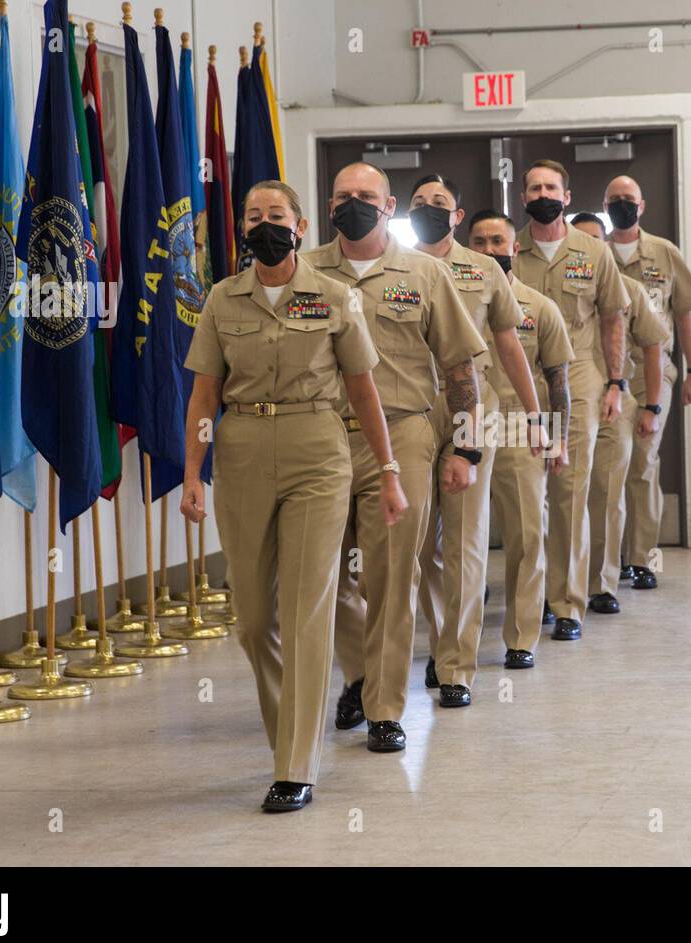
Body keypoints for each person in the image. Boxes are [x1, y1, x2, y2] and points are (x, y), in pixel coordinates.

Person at [181, 180, 406, 813]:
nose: (263, 224)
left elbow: (363, 391)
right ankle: (289, 733)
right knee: (255, 622)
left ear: (300, 227)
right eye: (252, 216)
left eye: (275, 215)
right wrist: (192, 472)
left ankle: (294, 765)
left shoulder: (334, 297)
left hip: (317, 449)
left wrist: (387, 470)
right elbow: (203, 395)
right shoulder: (222, 300)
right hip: (244, 447)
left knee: (310, 607)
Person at [302, 162, 486, 753]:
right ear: (329, 207)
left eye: (367, 196)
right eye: (342, 196)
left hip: (404, 430)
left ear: (389, 208)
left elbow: (459, 366)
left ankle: (384, 705)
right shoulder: (302, 270)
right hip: (323, 432)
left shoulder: (426, 273)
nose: (353, 203)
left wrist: (465, 446)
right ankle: (358, 671)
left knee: (391, 571)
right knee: (323, 571)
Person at [408, 175, 548, 706]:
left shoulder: (484, 269)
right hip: (412, 411)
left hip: (474, 409)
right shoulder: (395, 269)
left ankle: (457, 666)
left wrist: (534, 416)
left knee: (465, 538)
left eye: (439, 202)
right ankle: (440, 640)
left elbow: (511, 347)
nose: (429, 208)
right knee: (422, 544)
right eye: (419, 202)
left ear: (457, 215)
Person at [512, 159, 628, 641]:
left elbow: (613, 318)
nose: (543, 193)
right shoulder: (509, 250)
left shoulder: (593, 251)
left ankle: (568, 604)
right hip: (518, 381)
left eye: (551, 187)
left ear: (566, 194)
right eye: (534, 187)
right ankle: (531, 595)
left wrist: (616, 383)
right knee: (522, 498)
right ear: (523, 197)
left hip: (578, 379)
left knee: (569, 493)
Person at [467, 209, 574, 667]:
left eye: (498, 242)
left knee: (528, 535)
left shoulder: (540, 307)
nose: (490, 250)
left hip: (519, 426)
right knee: (460, 543)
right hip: (464, 424)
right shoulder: (449, 300)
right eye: (480, 242)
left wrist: (559, 437)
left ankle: (521, 638)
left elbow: (558, 380)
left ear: (515, 248)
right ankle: (455, 645)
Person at [603, 175, 691, 589]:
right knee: (610, 468)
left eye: (629, 199)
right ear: (604, 205)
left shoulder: (663, 253)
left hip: (653, 373)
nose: (622, 205)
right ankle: (608, 560)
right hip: (607, 374)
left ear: (641, 205)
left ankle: (643, 559)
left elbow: (683, 314)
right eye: (614, 199)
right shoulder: (594, 254)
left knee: (643, 464)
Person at [568, 213, 667, 615]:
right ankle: (556, 586)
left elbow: (654, 347)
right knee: (562, 496)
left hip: (616, 399)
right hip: (568, 400)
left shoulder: (629, 291)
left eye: (596, 239)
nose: (590, 247)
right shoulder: (558, 293)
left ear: (606, 246)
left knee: (608, 492)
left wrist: (652, 406)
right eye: (582, 240)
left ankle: (602, 583)